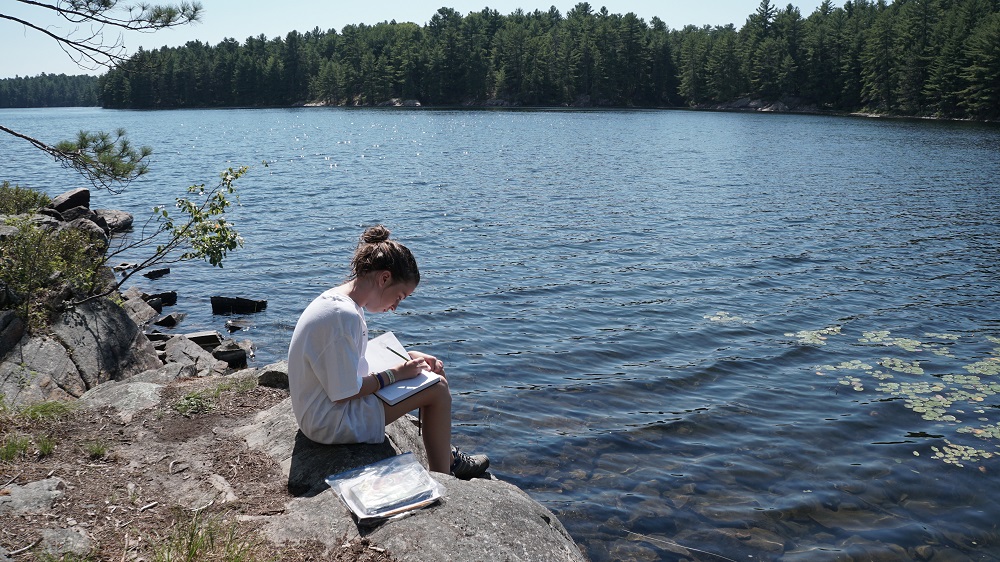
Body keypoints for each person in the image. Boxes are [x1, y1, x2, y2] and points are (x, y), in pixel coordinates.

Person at [287, 225, 489, 479]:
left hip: (321, 410)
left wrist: (409, 358)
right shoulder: (343, 316)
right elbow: (344, 392)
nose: (395, 307)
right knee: (437, 390)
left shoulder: (341, 303)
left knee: (429, 373)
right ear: (384, 278)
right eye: (400, 297)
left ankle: (446, 457)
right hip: (329, 422)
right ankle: (444, 475)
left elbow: (351, 363)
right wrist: (395, 374)